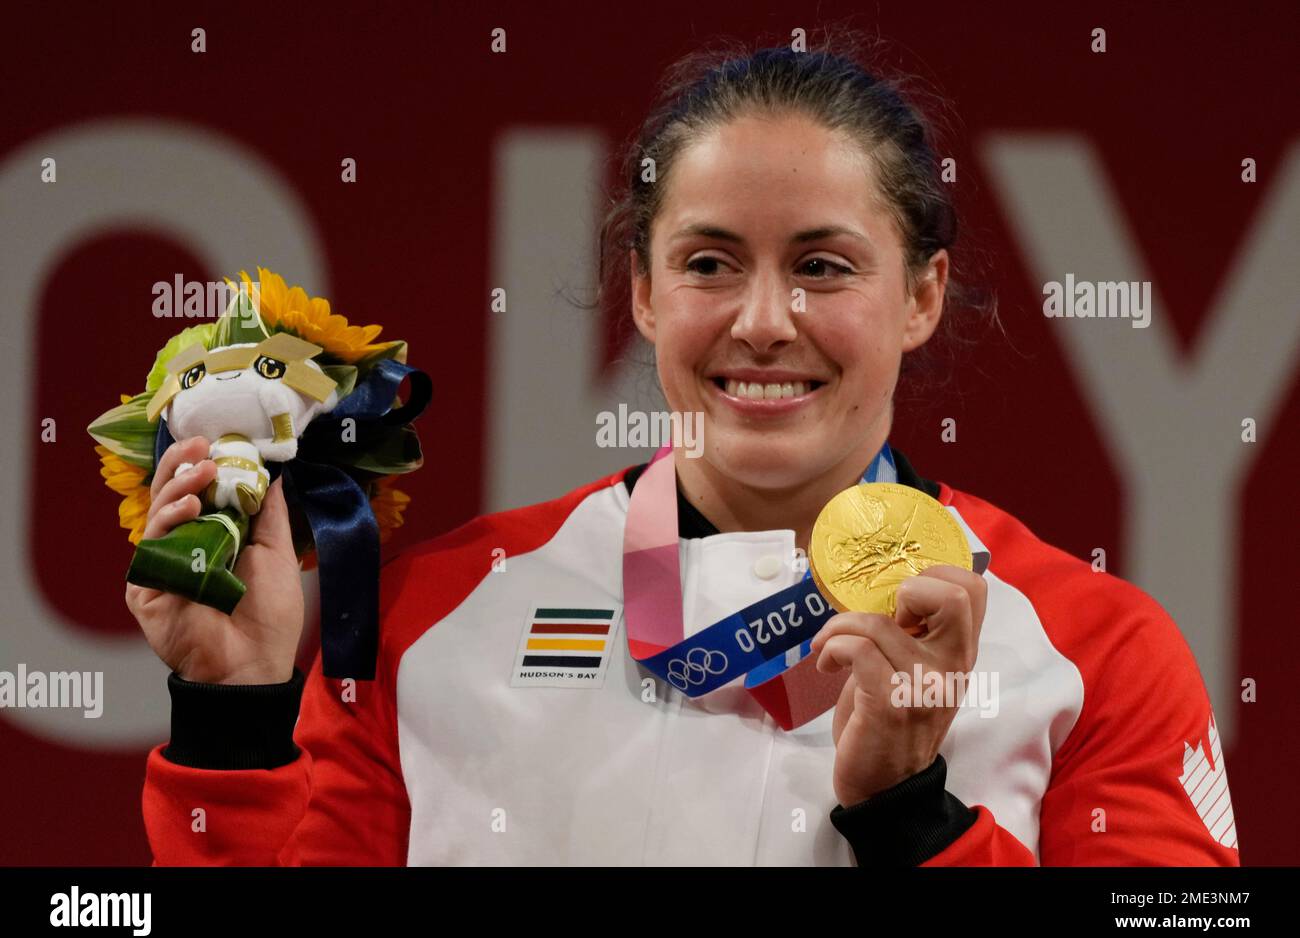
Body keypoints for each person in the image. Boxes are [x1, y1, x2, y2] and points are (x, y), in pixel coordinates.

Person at [131, 38, 1240, 866]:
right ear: (647, 293)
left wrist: (916, 819)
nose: (763, 319)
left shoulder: (1097, 649)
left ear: (921, 295)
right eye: (709, 262)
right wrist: (232, 717)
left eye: (823, 265)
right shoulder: (427, 622)